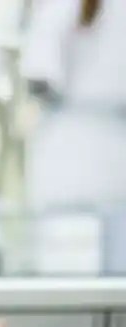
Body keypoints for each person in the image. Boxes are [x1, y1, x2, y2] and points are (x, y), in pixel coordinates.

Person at [20, 0, 126, 265]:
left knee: (67, 283)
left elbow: (39, 76)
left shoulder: (58, 7)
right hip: (111, 154)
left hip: (68, 153)